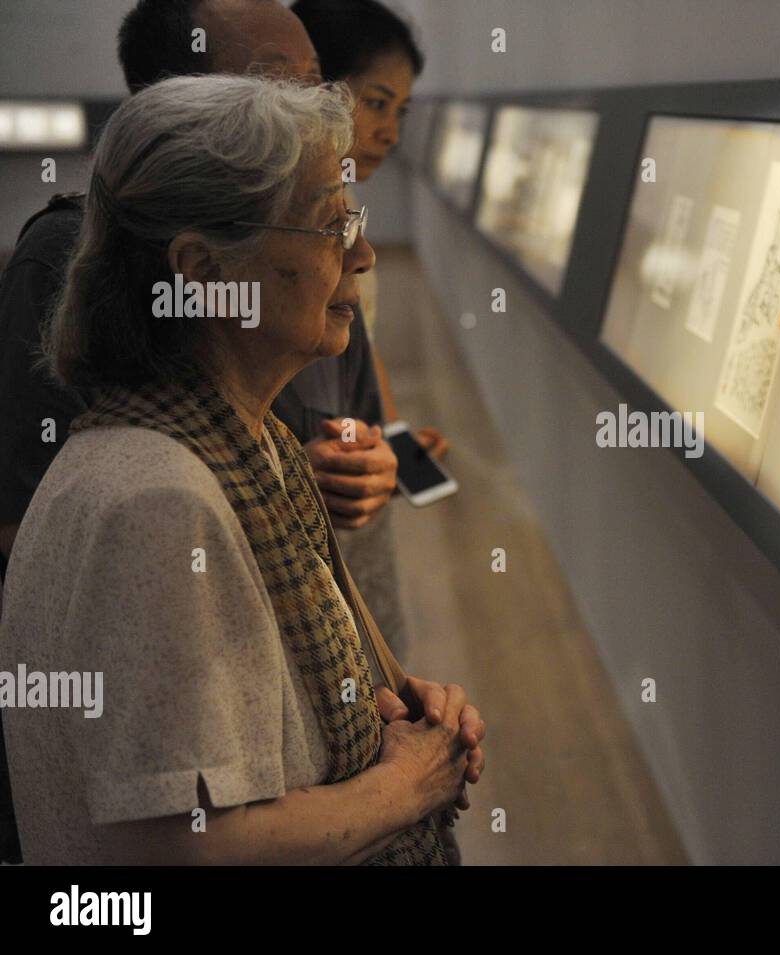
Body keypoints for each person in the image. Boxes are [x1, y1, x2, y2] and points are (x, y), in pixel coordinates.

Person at [0, 75, 485, 865]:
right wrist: (404, 786)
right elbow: (176, 851)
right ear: (200, 270)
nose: (361, 254)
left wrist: (405, 710)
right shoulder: (156, 501)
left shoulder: (250, 449)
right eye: (332, 227)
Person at [288, 0, 451, 666]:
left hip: (351, 483)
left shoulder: (344, 208)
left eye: (400, 113)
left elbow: (362, 345)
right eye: (376, 103)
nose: (388, 131)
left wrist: (399, 440)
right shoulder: (287, 223)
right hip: (309, 499)